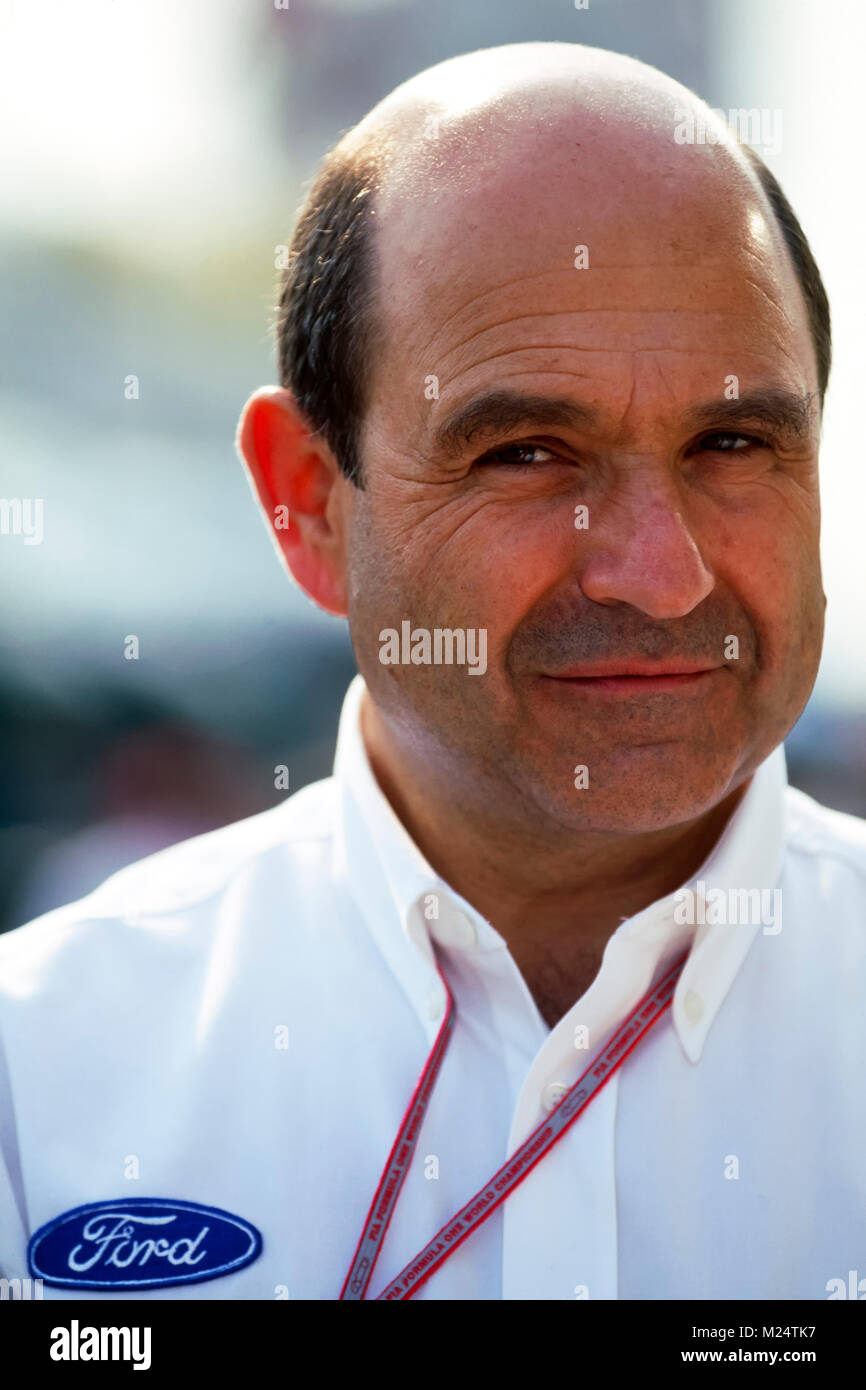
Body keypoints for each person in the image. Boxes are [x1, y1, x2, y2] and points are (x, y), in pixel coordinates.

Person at [2, 41, 863, 1303]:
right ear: (307, 503)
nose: (659, 572)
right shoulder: (41, 1071)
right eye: (525, 453)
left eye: (731, 442)